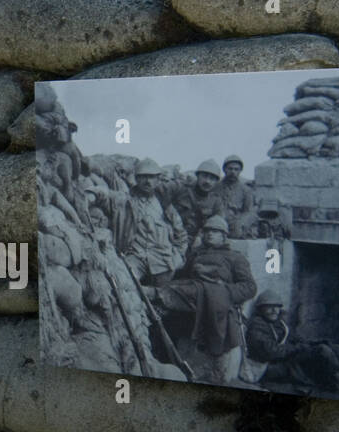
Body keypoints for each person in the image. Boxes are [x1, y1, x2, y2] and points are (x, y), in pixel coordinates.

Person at [157, 215, 257, 382]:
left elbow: (249, 287)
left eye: (215, 231)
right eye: (208, 231)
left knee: (200, 291)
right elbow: (183, 277)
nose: (210, 234)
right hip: (193, 302)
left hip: (216, 302)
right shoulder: (196, 255)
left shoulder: (235, 258)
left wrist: (224, 291)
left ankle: (159, 295)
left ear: (224, 236)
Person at [245, 290, 339, 399]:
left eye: (277, 307)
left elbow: (297, 339)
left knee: (332, 346)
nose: (274, 311)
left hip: (285, 358)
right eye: (269, 307)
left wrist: (312, 344)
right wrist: (301, 348)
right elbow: (273, 352)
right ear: (260, 309)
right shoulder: (257, 327)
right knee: (322, 351)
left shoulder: (278, 323)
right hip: (270, 367)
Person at [103, 158, 189, 288]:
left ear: (158, 179)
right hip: (136, 257)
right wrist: (91, 194)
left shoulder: (164, 205)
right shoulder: (126, 201)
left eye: (152, 177)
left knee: (163, 293)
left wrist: (178, 257)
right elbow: (105, 195)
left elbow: (180, 234)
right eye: (143, 177)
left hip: (162, 260)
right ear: (137, 179)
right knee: (123, 282)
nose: (148, 181)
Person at [173, 159, 225, 244]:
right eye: (204, 176)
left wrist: (200, 236)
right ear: (198, 176)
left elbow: (218, 224)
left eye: (212, 179)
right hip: (174, 235)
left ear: (216, 182)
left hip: (199, 241)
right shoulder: (181, 190)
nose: (207, 181)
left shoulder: (216, 201)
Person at [214, 154, 256, 238]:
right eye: (230, 168)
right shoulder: (215, 186)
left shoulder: (246, 190)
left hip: (236, 224)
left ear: (240, 171)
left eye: (236, 169)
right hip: (217, 221)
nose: (233, 172)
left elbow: (248, 211)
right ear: (224, 169)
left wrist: (240, 222)